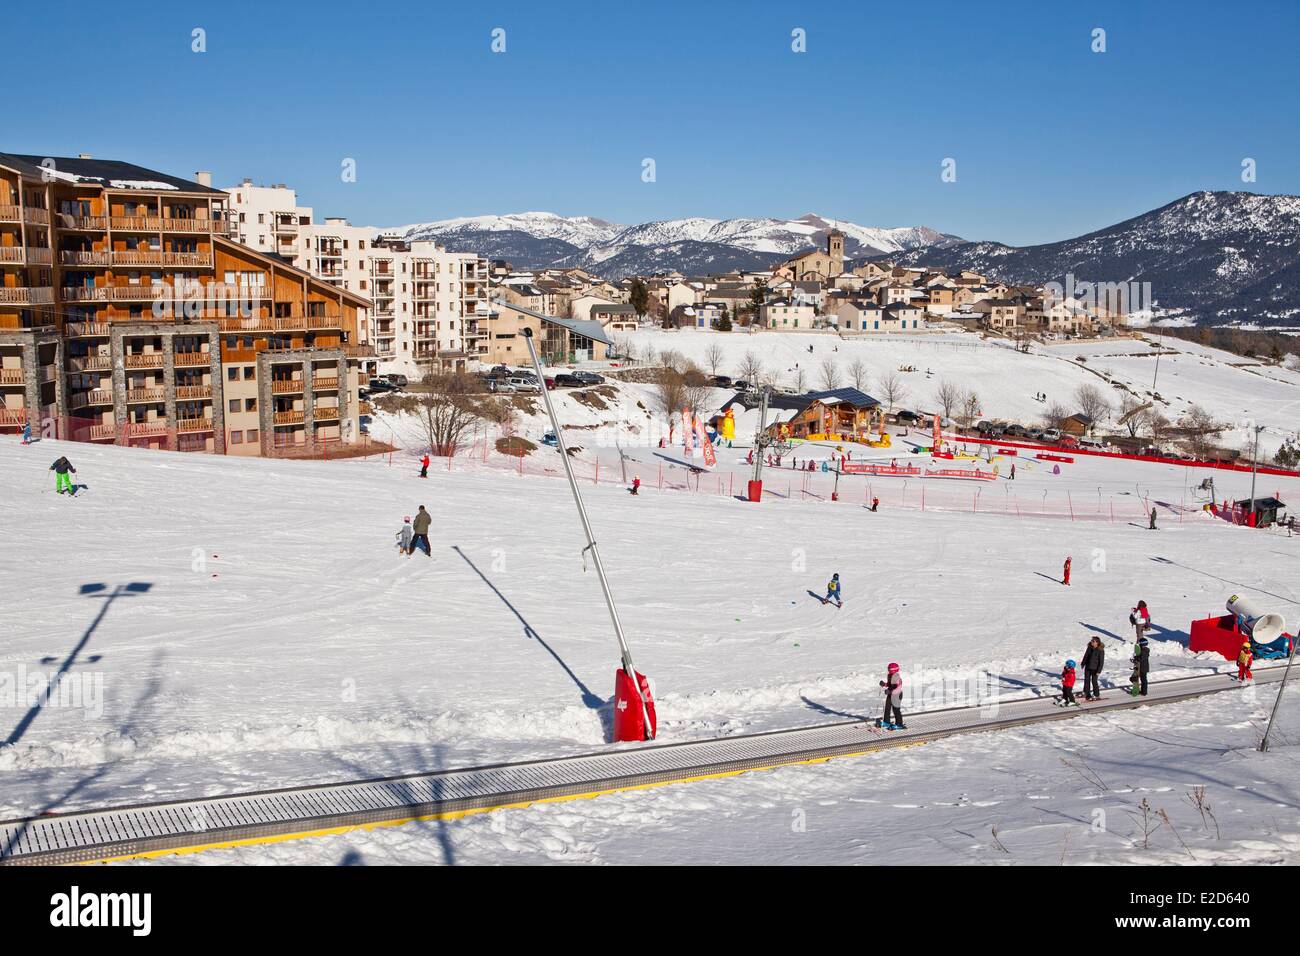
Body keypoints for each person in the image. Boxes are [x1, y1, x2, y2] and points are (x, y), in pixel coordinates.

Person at [877, 663, 905, 729]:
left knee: (896, 710)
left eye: (889, 669)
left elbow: (898, 688)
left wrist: (890, 691)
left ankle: (899, 724)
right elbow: (889, 684)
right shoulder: (890, 676)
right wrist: (884, 684)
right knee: (887, 708)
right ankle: (886, 722)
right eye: (888, 669)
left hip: (897, 695)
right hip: (890, 694)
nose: (888, 671)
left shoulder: (897, 678)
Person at [1081, 636, 1105, 701]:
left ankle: (1096, 694)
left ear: (1097, 642)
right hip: (1088, 667)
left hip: (1095, 669)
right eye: (1091, 640)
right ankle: (1087, 693)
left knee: (1094, 681)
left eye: (1093, 641)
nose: (1091, 642)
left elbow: (1101, 662)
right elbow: (1086, 656)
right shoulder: (1089, 647)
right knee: (1086, 680)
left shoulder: (1100, 650)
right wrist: (1083, 663)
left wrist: (1099, 671)